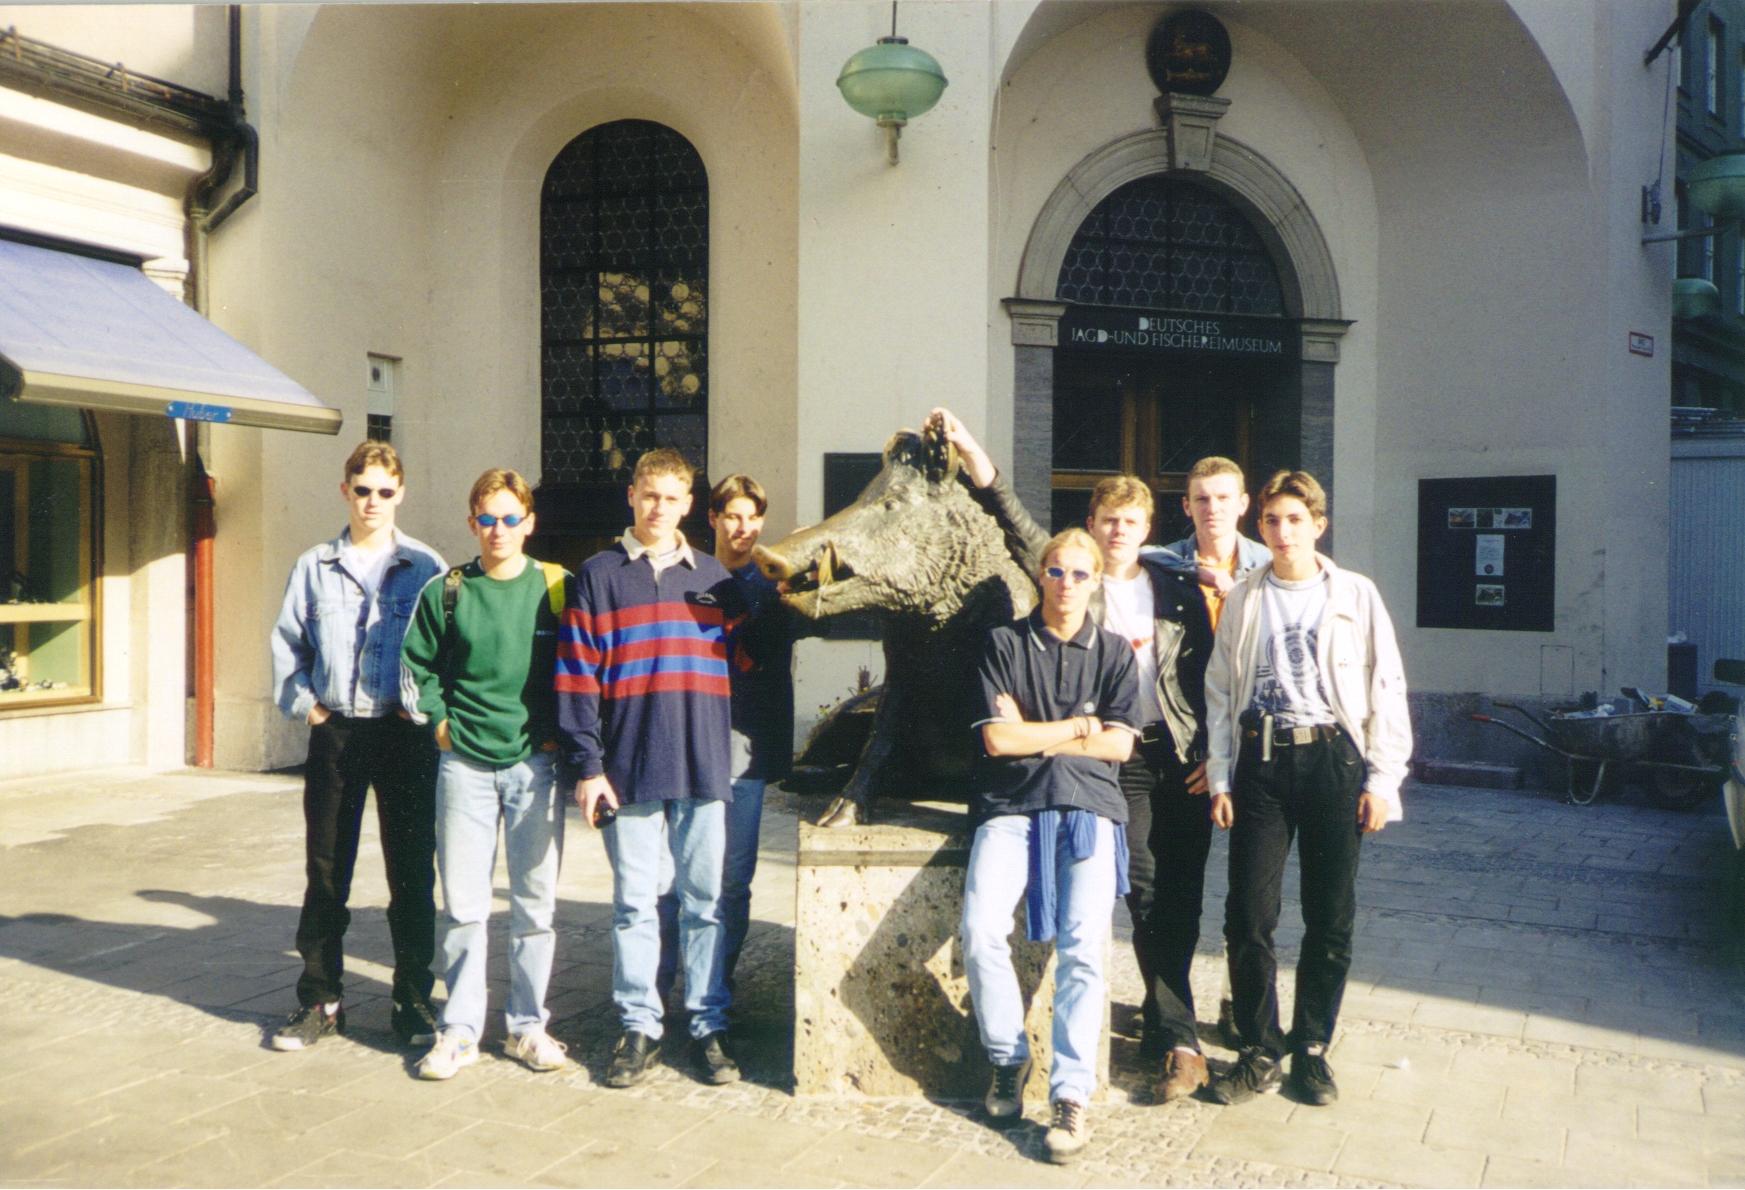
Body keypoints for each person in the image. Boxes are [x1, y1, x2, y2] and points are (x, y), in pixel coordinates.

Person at [931, 409, 1266, 1099]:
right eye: (1108, 520)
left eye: (1130, 522)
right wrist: (968, 448)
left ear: (1147, 528)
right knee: (1142, 890)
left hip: (1177, 752)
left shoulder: (1174, 584)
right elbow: (1007, 510)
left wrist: (1213, 752)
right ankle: (1178, 1038)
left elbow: (1211, 673)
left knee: (1180, 896)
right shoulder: (1071, 573)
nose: (1118, 532)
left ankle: (1166, 1017)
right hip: (1112, 760)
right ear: (1093, 523)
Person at [1202, 470, 1411, 1107]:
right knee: (1249, 913)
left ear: (1318, 525)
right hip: (1261, 763)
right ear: (1260, 527)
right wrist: (1220, 775)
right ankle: (1259, 1047)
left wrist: (1383, 779)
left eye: (1295, 520)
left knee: (1330, 914)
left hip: (1332, 763)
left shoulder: (1354, 594)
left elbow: (1386, 687)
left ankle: (1312, 1047)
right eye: (1272, 521)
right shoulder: (1246, 595)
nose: (1283, 532)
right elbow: (1220, 691)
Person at [558, 448, 742, 1088]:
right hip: (628, 767)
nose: (659, 508)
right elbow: (577, 677)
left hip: (703, 765)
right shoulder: (598, 575)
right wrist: (588, 767)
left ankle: (707, 1025)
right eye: (649, 495)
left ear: (689, 505)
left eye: (672, 498)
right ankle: (639, 1027)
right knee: (635, 905)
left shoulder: (716, 578)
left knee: (705, 904)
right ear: (631, 496)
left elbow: (747, 666)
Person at [963, 528, 1139, 1164]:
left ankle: (1070, 1095)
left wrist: (1035, 733)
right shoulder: (1005, 644)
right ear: (1040, 575)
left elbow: (1120, 745)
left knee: (1083, 950)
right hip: (1010, 809)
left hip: (1090, 811)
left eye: (1080, 574)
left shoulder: (1114, 653)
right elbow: (997, 742)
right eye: (1057, 572)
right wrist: (1079, 728)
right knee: (980, 931)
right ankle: (1008, 1057)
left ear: (1097, 582)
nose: (1067, 585)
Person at [268, 441, 445, 1052]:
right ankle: (321, 999)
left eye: (385, 491)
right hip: (338, 733)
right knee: (325, 870)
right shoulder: (314, 566)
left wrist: (424, 711)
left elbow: (443, 650)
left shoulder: (426, 567)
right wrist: (311, 710)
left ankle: (412, 1000)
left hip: (403, 734)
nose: (373, 502)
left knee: (412, 872)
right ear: (346, 490)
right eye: (363, 489)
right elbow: (288, 646)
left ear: (401, 494)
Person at [399, 469, 573, 1080]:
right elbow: (415, 665)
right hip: (465, 767)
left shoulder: (557, 587)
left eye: (509, 518)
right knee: (465, 906)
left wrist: (560, 733)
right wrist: (440, 723)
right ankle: (460, 1032)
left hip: (534, 765)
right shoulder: (446, 590)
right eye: (487, 519)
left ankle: (527, 1028)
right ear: (472, 523)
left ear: (529, 522)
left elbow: (583, 662)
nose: (498, 530)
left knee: (535, 906)